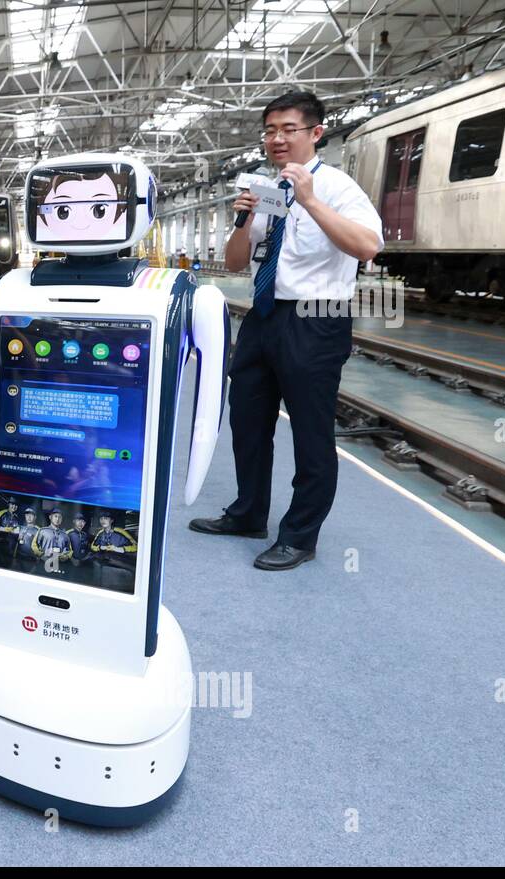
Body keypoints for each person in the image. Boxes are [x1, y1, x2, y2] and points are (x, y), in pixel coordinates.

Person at [189, 90, 383, 571]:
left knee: (310, 434)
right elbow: (235, 263)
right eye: (270, 130)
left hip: (316, 320)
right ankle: (248, 513)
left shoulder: (337, 187)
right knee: (247, 421)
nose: (276, 139)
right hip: (264, 316)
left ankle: (299, 535)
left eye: (287, 129)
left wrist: (310, 200)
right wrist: (245, 219)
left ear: (315, 133)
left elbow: (366, 247)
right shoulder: (265, 190)